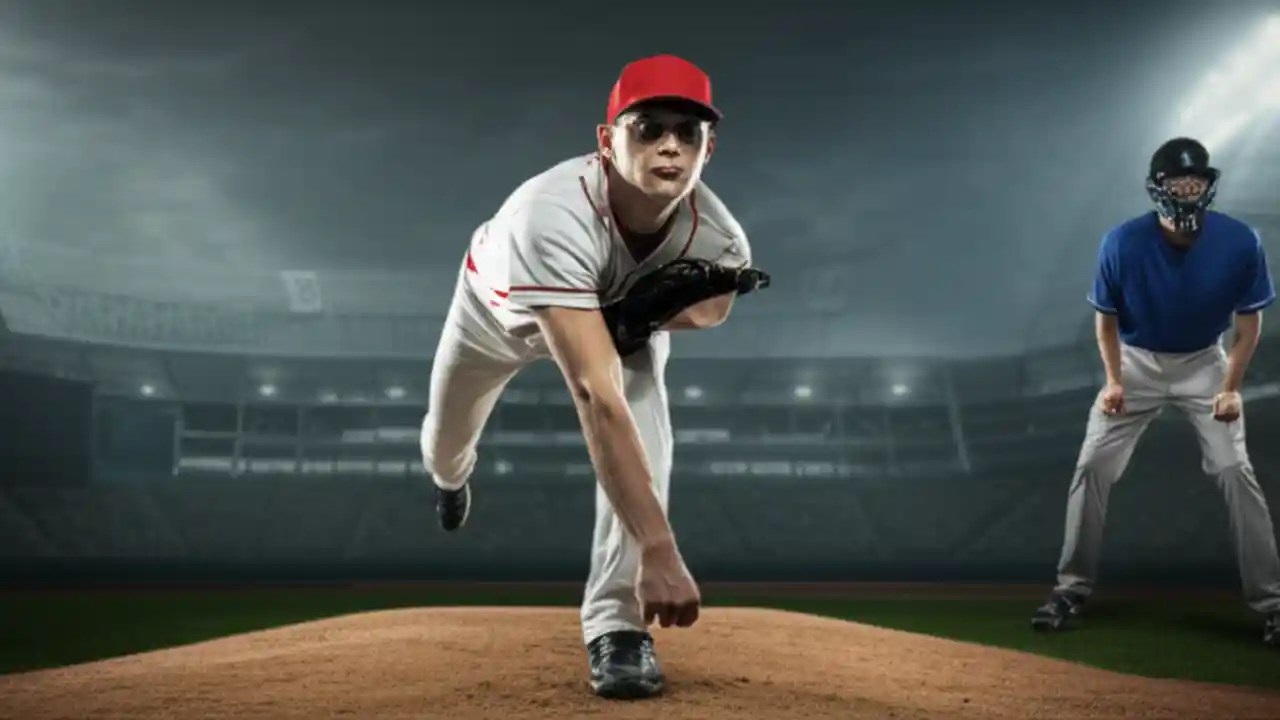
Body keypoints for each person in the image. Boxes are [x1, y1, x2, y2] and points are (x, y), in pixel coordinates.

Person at [418, 54, 761, 698]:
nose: (670, 145)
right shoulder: (548, 212)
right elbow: (591, 394)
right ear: (606, 141)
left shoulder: (720, 237)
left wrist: (643, 318)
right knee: (447, 434)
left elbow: (715, 308)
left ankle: (618, 627)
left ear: (709, 149)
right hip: (495, 314)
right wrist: (660, 547)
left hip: (606, 325)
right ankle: (449, 479)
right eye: (648, 127)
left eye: (689, 133)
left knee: (646, 420)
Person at [1031, 136, 1280, 648]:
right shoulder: (1121, 242)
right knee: (1092, 466)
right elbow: (1106, 323)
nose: (1187, 189)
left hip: (1203, 364)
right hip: (1137, 362)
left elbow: (1248, 325)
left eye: (1195, 180)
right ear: (1157, 187)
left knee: (1236, 470)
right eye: (1177, 181)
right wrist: (1115, 381)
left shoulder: (1239, 241)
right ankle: (1070, 590)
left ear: (1207, 185)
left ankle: (1273, 602)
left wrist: (1231, 386)